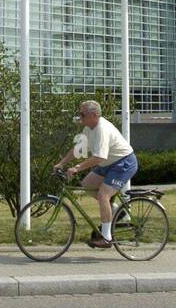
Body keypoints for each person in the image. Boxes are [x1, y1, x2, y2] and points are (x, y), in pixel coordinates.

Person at [53, 100, 138, 248]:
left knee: (103, 195)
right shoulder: (88, 128)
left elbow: (99, 157)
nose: (80, 117)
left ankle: (106, 238)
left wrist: (77, 168)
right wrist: (61, 163)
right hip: (108, 164)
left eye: (82, 114)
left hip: (123, 163)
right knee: (87, 185)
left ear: (93, 115)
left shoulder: (101, 129)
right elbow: (78, 149)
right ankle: (118, 212)